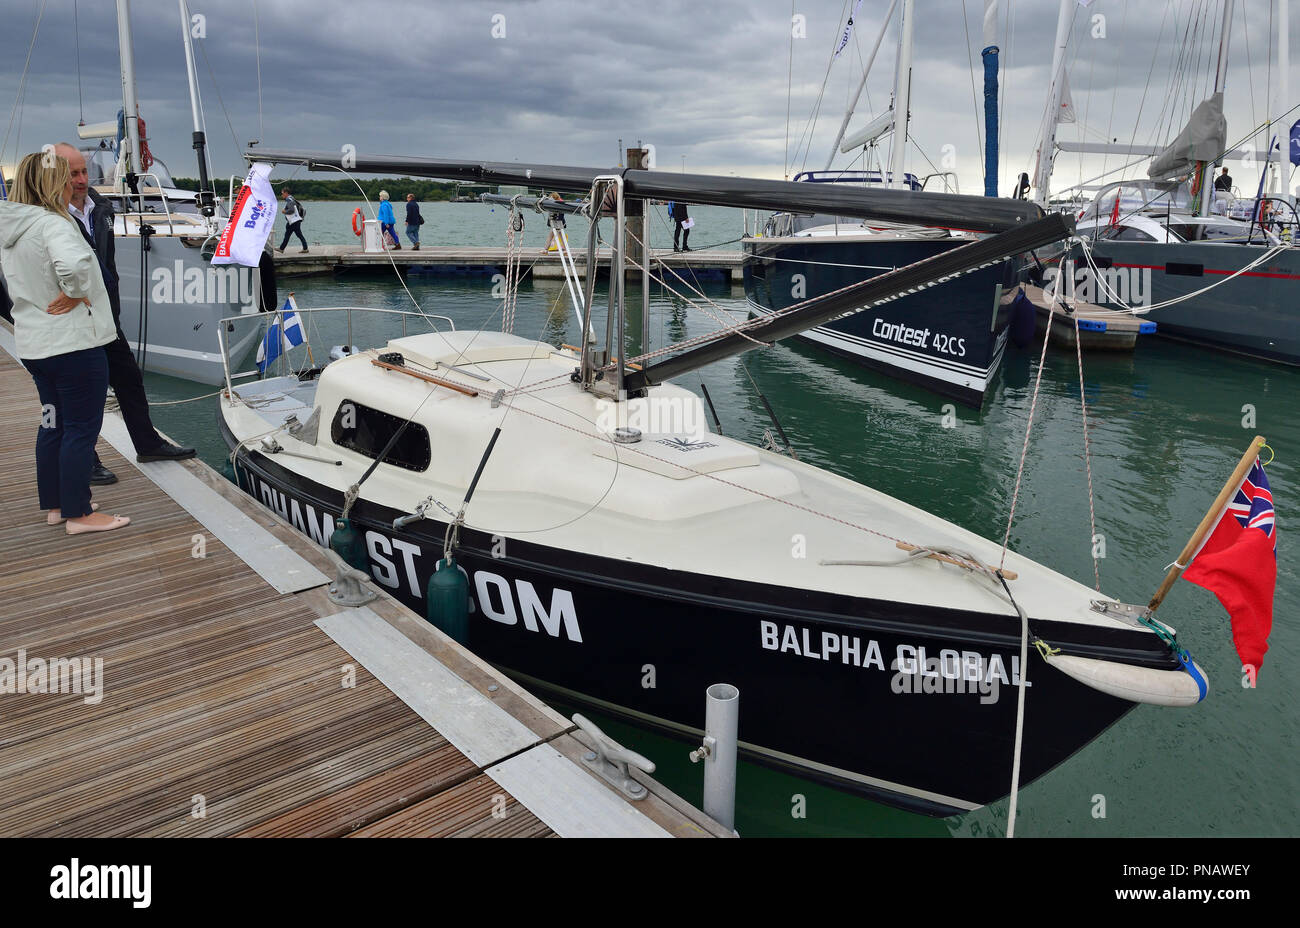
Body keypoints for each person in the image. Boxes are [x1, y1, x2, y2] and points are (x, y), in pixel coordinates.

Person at [0, 152, 130, 534]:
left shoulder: (13, 227)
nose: (73, 183)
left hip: (36, 347)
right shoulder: (53, 224)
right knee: (80, 428)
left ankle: (57, 504)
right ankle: (79, 514)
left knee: (52, 422)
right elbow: (73, 266)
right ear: (52, 182)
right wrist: (75, 291)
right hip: (73, 346)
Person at [55, 143, 195, 483]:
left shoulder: (101, 208)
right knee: (81, 390)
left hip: (106, 316)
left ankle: (148, 444)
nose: (81, 179)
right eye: (73, 174)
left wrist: (113, 309)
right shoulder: (50, 217)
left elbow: (108, 265)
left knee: (129, 379)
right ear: (56, 176)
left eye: (84, 171)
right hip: (71, 320)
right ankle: (85, 459)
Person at [278, 187, 308, 253]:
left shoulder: (289, 200)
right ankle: (305, 248)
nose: (282, 195)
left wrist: (284, 211)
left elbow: (291, 210)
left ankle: (281, 249)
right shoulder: (292, 198)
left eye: (282, 193)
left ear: (286, 193)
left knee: (288, 234)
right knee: (298, 235)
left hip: (293, 221)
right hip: (296, 220)